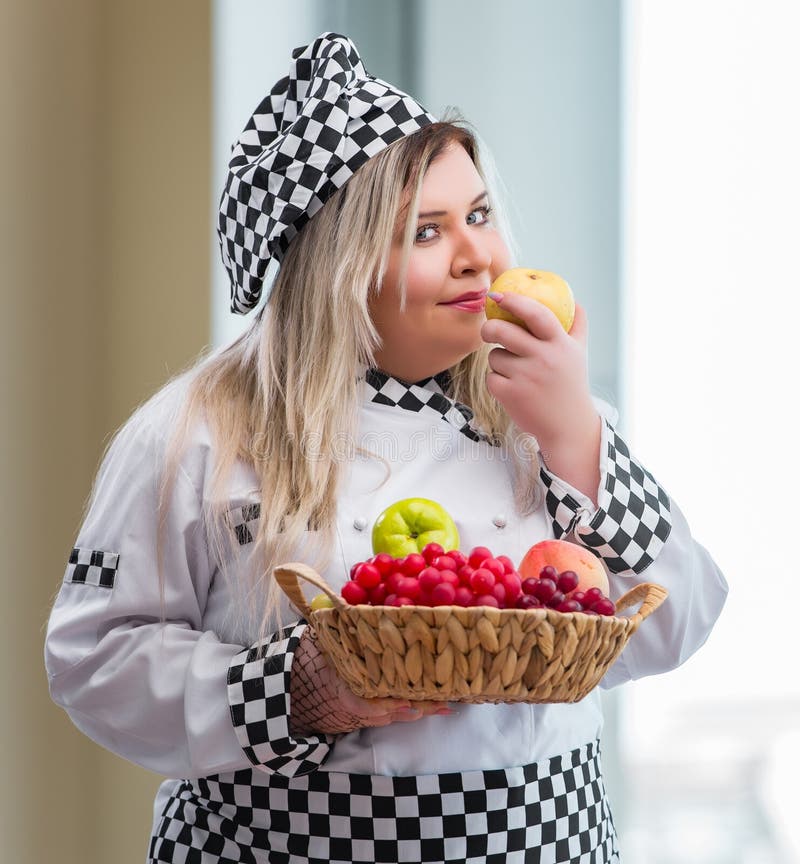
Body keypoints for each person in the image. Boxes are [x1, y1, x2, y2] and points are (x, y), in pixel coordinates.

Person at [45, 32, 728, 864]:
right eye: (428, 231)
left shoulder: (546, 421)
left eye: (478, 215)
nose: (480, 253)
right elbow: (92, 657)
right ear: (340, 266)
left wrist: (576, 430)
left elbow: (679, 620)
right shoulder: (198, 432)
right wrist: (291, 692)